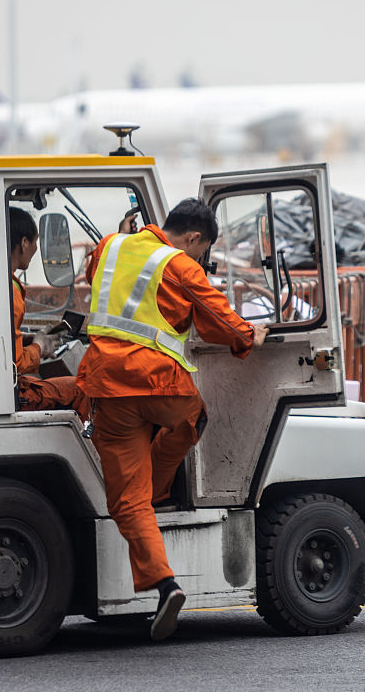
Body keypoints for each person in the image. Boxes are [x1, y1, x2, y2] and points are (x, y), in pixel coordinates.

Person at [75, 197, 269, 642]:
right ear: (194, 237)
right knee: (192, 419)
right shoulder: (181, 266)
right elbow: (219, 318)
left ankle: (166, 585)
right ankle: (161, 492)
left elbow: (93, 275)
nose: (201, 259)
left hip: (108, 388)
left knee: (129, 501)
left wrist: (121, 233)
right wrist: (250, 335)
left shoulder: (110, 246)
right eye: (203, 251)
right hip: (163, 389)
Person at [8, 208, 83, 411]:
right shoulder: (10, 292)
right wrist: (40, 346)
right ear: (24, 243)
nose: (35, 249)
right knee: (81, 390)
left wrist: (29, 339)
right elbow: (16, 365)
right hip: (11, 394)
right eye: (35, 242)